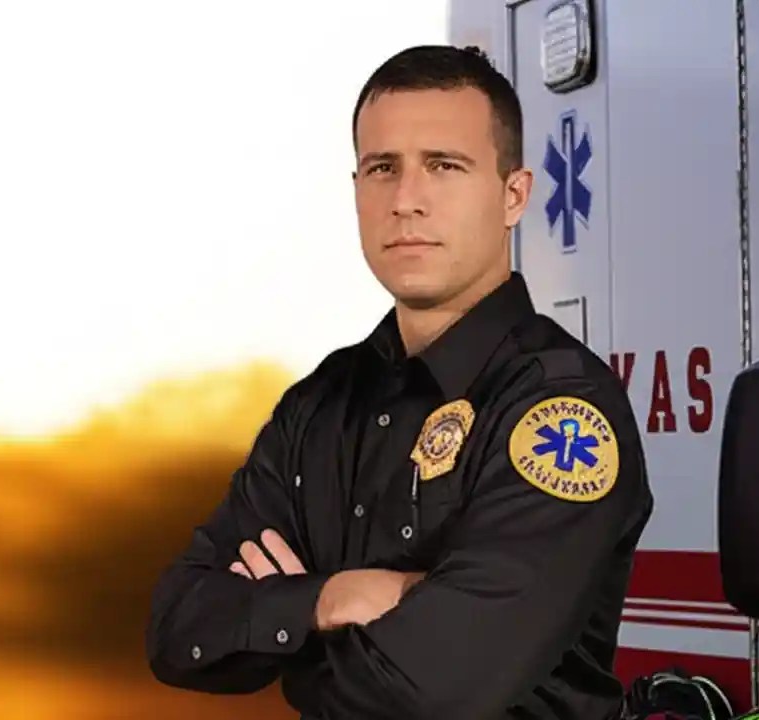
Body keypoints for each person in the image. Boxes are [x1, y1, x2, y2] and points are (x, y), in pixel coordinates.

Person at [145, 44, 653, 720]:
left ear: (514, 195)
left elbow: (430, 693)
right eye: (383, 168)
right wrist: (333, 599)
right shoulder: (320, 405)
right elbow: (178, 631)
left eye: (444, 166)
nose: (407, 200)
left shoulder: (560, 411)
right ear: (356, 188)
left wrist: (282, 632)